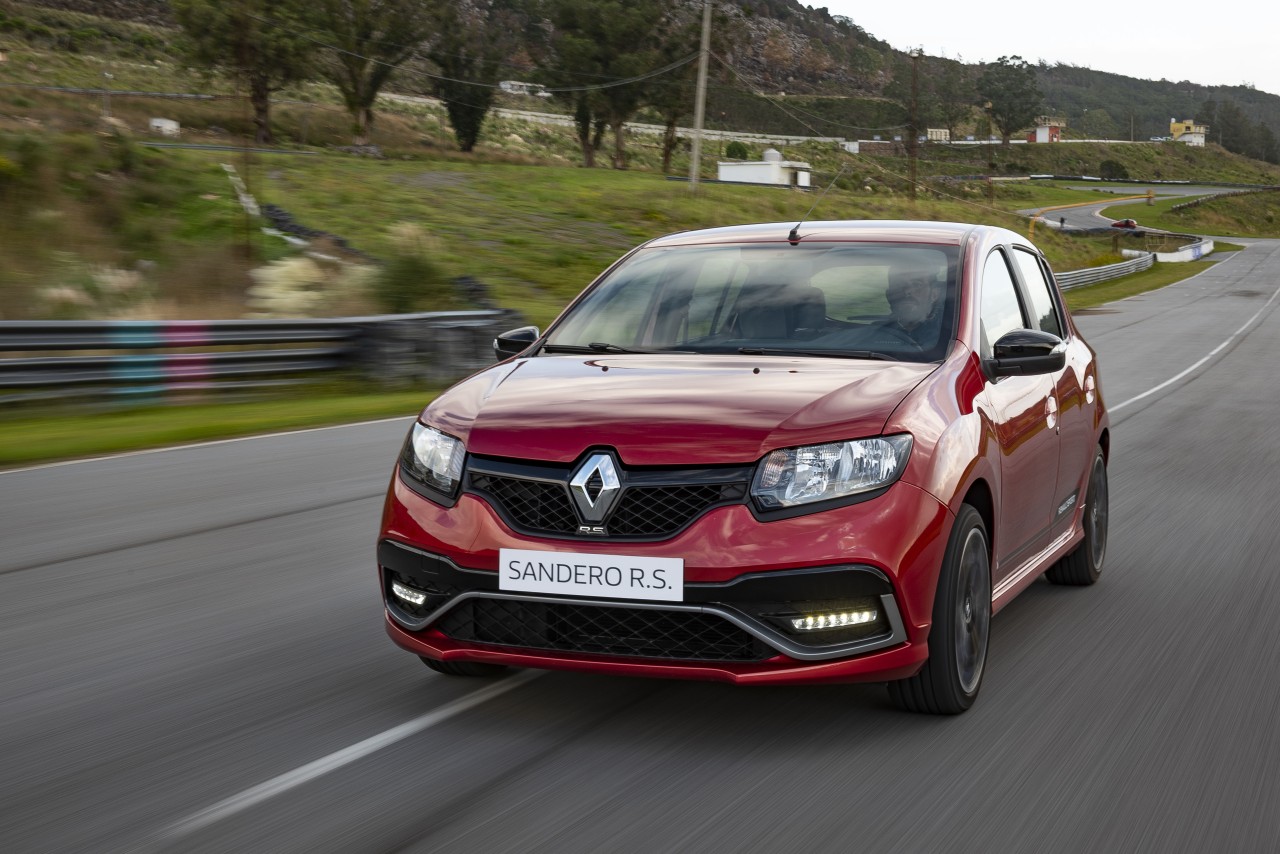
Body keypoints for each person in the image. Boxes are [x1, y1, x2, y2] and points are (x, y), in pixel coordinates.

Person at [882, 265, 945, 348]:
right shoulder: (874, 334)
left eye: (917, 285)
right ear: (888, 295)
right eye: (898, 285)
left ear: (934, 294)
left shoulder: (946, 337)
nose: (907, 291)